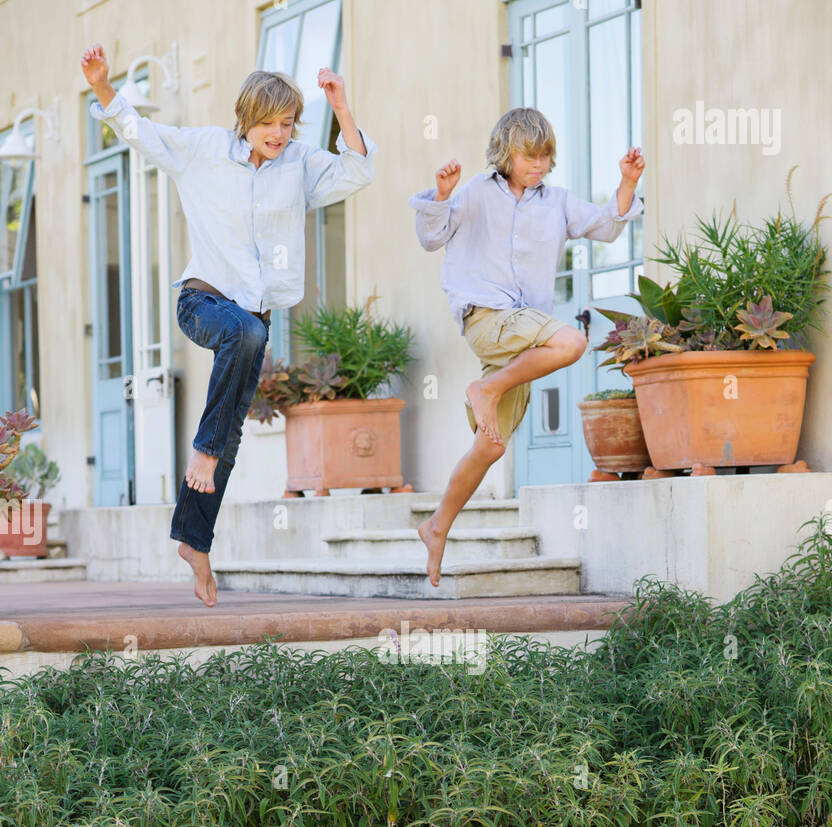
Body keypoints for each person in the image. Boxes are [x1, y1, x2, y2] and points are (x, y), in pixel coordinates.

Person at [81, 45, 376, 606]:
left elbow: (357, 170)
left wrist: (340, 108)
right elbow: (140, 131)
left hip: (251, 326)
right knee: (246, 339)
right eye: (269, 122)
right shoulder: (204, 150)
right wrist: (100, 86)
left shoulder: (300, 164)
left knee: (232, 432)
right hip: (204, 303)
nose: (279, 133)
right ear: (246, 118)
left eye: (288, 123)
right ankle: (203, 452)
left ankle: (195, 543)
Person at [410, 107, 644, 586]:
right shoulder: (476, 192)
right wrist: (442, 194)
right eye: (528, 156)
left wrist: (626, 182)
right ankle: (486, 389)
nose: (537, 164)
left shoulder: (556, 201)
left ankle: (436, 527)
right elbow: (431, 237)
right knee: (572, 339)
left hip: (521, 332)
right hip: (486, 316)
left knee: (490, 448)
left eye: (545, 155)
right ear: (506, 153)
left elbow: (606, 225)